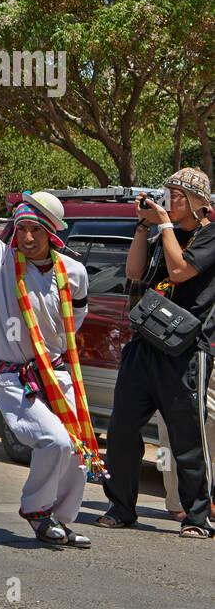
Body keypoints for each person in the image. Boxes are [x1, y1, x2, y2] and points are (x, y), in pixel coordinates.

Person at [0, 151, 98, 547]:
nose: (28, 239)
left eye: (36, 231)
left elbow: (76, 321)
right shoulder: (2, 261)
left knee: (78, 446)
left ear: (52, 235)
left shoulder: (74, 272)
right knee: (53, 440)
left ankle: (61, 519)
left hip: (56, 373)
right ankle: (37, 511)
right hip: (12, 377)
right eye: (22, 231)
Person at [98, 168, 215, 537]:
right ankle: (120, 506)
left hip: (186, 349)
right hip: (144, 343)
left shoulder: (209, 235)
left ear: (198, 203)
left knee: (186, 436)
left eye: (177, 195)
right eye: (168, 194)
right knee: (121, 428)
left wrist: (163, 224)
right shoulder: (165, 233)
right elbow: (134, 272)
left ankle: (197, 517)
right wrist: (143, 227)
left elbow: (180, 271)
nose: (169, 201)